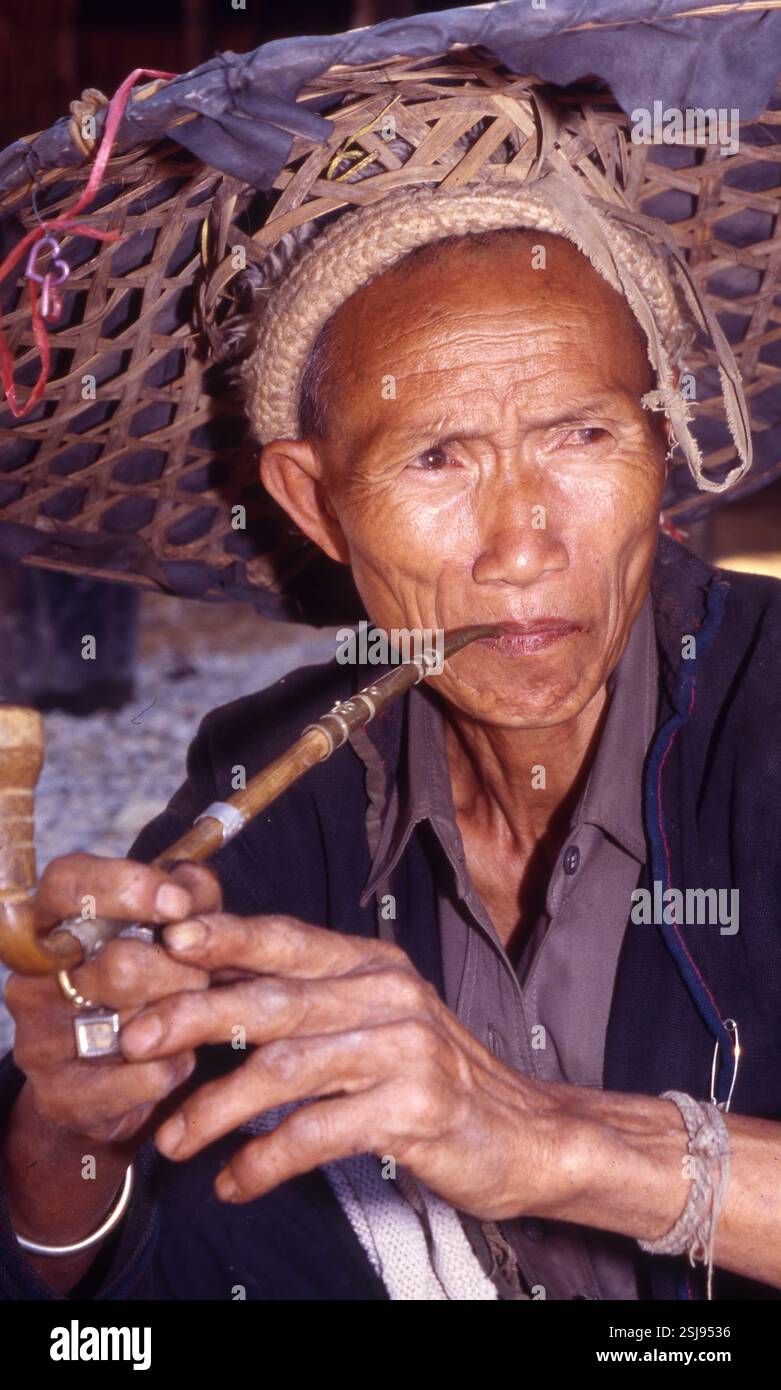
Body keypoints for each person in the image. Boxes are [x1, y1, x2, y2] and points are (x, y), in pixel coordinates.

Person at [1, 179, 779, 1302]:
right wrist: (71, 1128)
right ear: (315, 504)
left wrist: (560, 1140)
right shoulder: (276, 798)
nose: (521, 543)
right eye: (436, 459)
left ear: (659, 446)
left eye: (581, 433)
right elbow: (92, 1292)